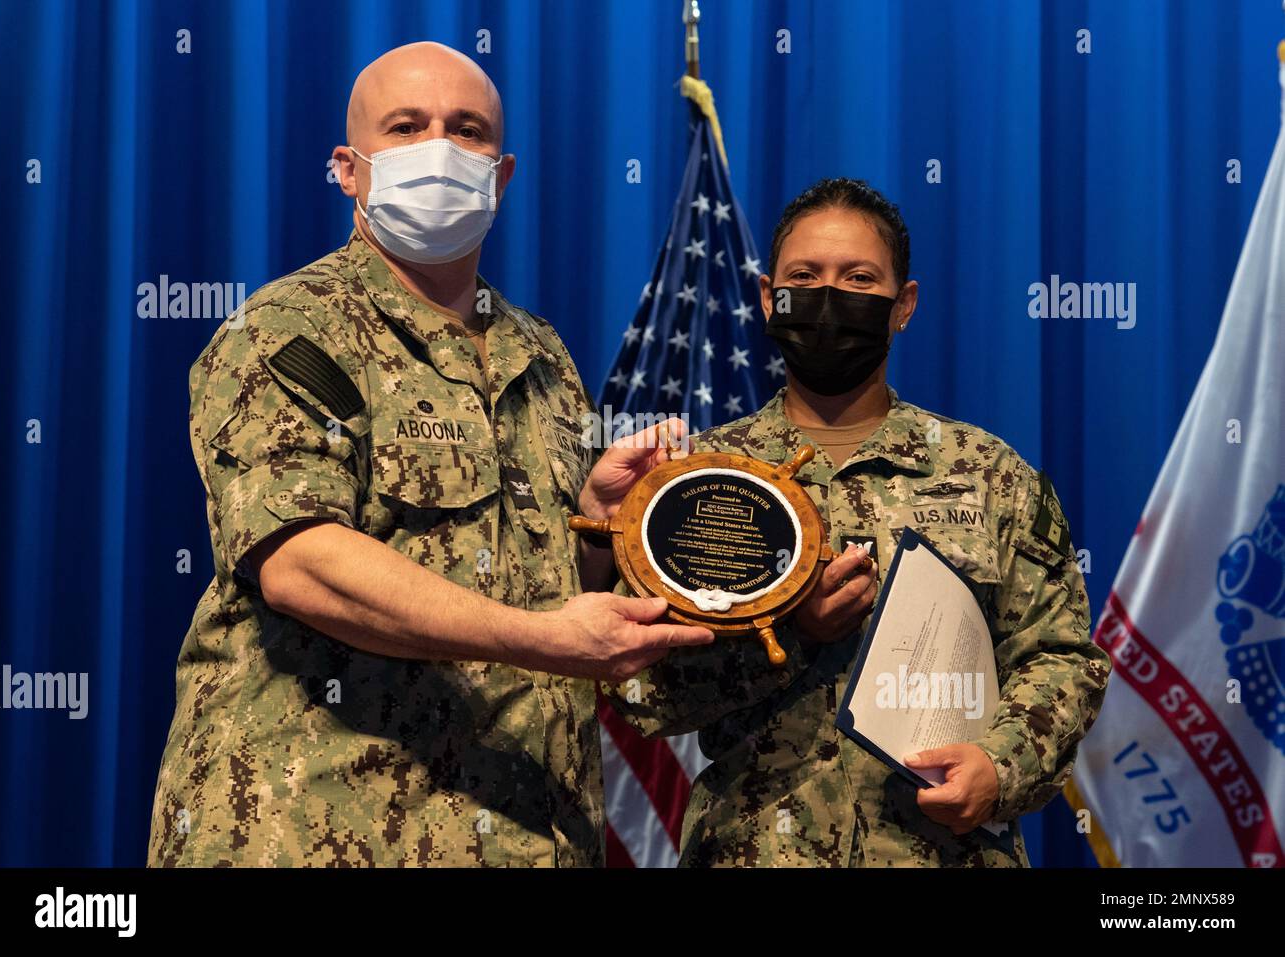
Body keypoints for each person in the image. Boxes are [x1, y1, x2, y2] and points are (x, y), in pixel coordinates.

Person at [147, 41, 710, 868]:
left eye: (467, 130)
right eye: (406, 127)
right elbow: (299, 561)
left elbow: (550, 594)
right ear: (349, 168)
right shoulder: (287, 328)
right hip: (323, 831)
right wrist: (541, 638)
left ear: (503, 173)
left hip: (527, 829)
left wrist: (592, 521)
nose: (438, 149)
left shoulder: (541, 354)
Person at [609, 178, 1112, 867]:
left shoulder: (990, 473)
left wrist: (1000, 767)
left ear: (902, 305)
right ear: (767, 299)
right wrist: (784, 629)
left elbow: (1061, 657)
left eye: (859, 278)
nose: (827, 298)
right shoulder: (699, 482)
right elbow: (639, 690)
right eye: (804, 276)